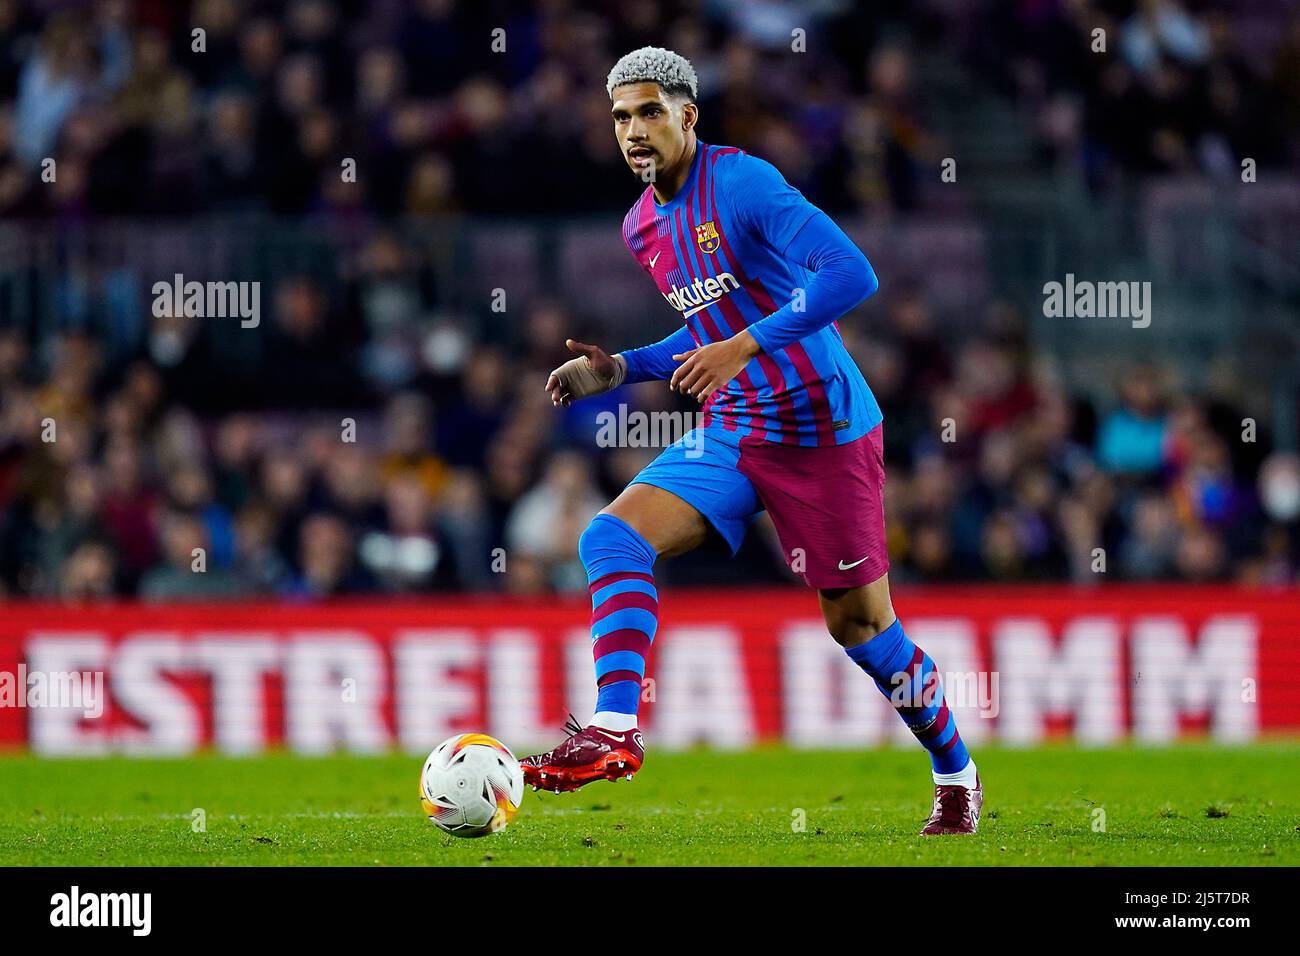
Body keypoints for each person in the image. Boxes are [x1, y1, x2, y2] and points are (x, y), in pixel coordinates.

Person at [520, 47, 981, 835]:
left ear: (687, 115)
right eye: (621, 117)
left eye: (650, 112)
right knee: (612, 537)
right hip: (738, 426)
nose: (634, 131)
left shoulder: (742, 183)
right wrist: (623, 368)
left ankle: (955, 771)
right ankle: (615, 728)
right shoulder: (641, 226)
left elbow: (850, 273)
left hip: (823, 433)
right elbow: (708, 327)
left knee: (862, 628)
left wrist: (745, 346)